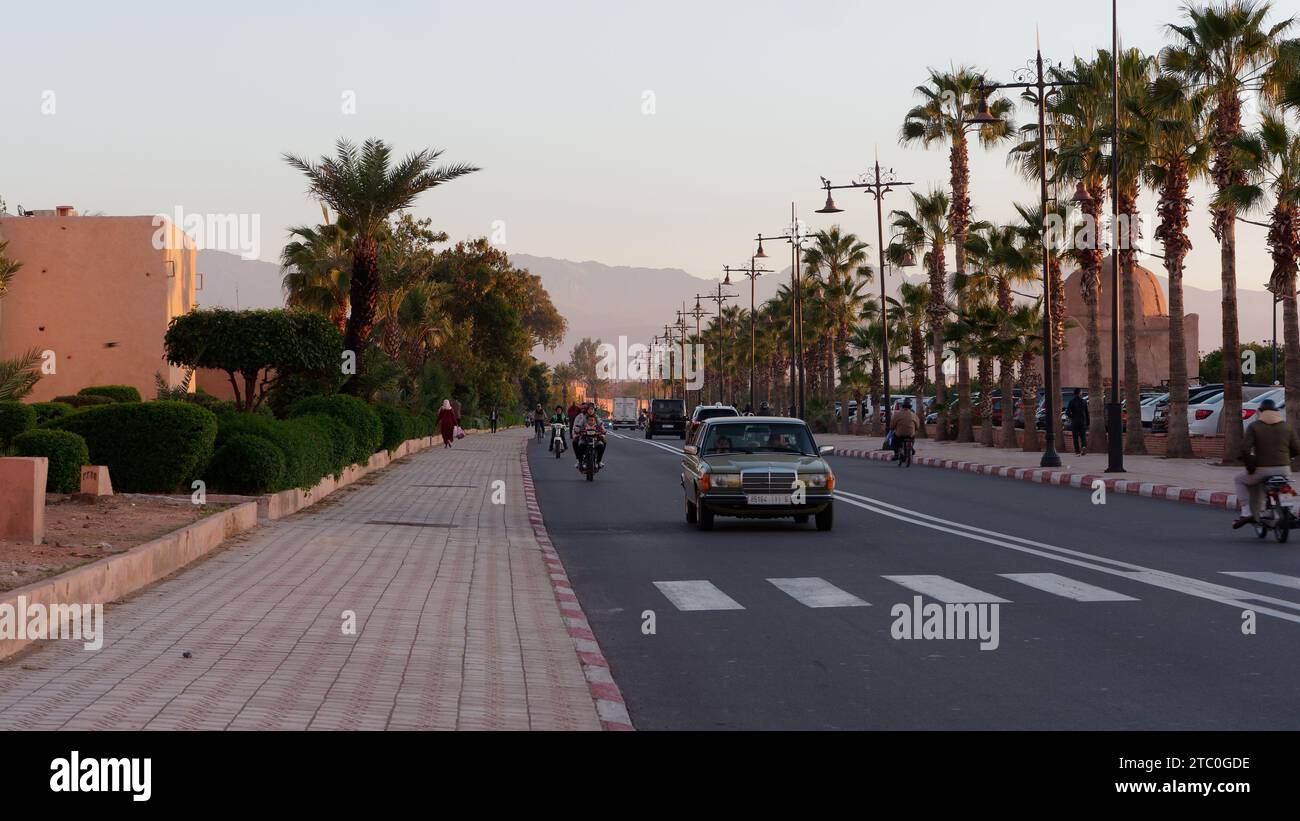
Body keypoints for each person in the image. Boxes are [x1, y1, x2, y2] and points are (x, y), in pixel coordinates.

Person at [1232, 398, 1300, 529]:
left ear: (1260, 411)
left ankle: (1246, 512)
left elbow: (1245, 449)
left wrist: (1250, 466)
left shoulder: (1254, 426)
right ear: (1276, 411)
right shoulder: (1286, 426)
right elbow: (1297, 449)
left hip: (1263, 469)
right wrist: (1286, 457)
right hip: (1284, 469)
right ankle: (1288, 511)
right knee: (1286, 486)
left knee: (1239, 479)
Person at [571, 401, 607, 469]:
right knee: (578, 443)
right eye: (589, 409)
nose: (590, 411)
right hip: (585, 437)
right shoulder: (583, 417)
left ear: (594, 410)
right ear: (587, 410)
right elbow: (578, 425)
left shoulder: (597, 417)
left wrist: (603, 430)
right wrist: (577, 429)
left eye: (592, 409)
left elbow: (601, 424)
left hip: (596, 437)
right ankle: (580, 461)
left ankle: (599, 461)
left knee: (603, 443)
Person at [1066, 388, 1089, 455]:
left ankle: (1077, 450)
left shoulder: (1071, 402)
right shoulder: (1084, 401)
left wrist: (1072, 416)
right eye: (1081, 392)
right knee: (1083, 436)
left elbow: (1067, 412)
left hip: (1075, 421)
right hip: (1082, 421)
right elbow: (1087, 413)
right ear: (1079, 393)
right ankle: (1083, 446)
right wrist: (1088, 422)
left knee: (1075, 437)